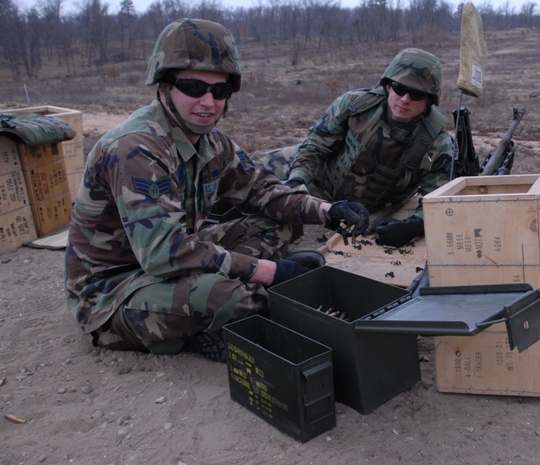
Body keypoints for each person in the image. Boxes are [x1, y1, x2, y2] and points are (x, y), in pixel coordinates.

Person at [64, 18, 369, 362]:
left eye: (220, 91)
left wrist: (329, 211)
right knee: (222, 297)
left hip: (173, 261)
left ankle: (244, 296)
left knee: (278, 223)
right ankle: (222, 318)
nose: (208, 101)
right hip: (112, 290)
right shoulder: (136, 147)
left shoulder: (212, 142)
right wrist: (268, 271)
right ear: (164, 86)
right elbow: (164, 252)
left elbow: (263, 192)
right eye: (193, 87)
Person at [252, 48, 454, 248]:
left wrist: (412, 226)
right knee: (249, 168)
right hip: (320, 180)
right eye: (399, 88)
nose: (405, 99)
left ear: (429, 100)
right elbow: (314, 146)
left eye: (416, 94)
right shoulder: (355, 104)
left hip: (369, 208)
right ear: (388, 86)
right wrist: (296, 181)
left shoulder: (437, 142)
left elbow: (436, 200)